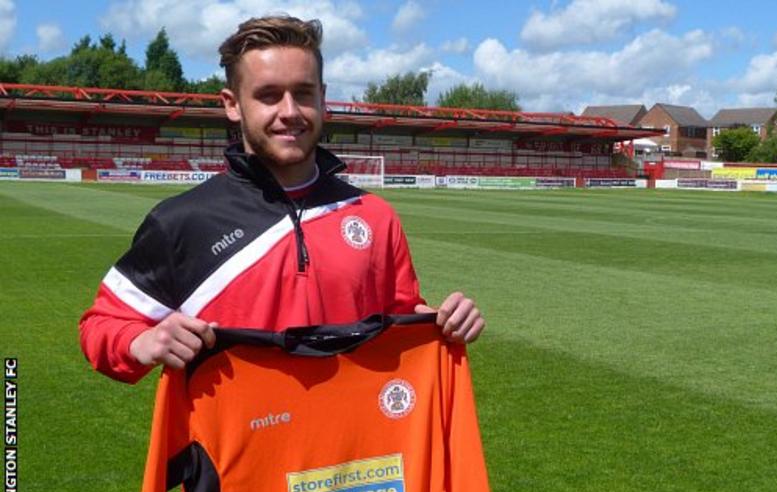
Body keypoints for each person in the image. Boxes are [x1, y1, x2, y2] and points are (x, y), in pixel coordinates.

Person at [79, 15, 484, 383]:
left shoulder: (376, 217)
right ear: (233, 105)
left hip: (352, 456)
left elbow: (402, 315)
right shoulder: (182, 221)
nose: (290, 111)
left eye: (304, 93)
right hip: (236, 458)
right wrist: (141, 341)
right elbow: (102, 326)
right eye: (269, 95)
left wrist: (442, 321)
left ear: (323, 97)